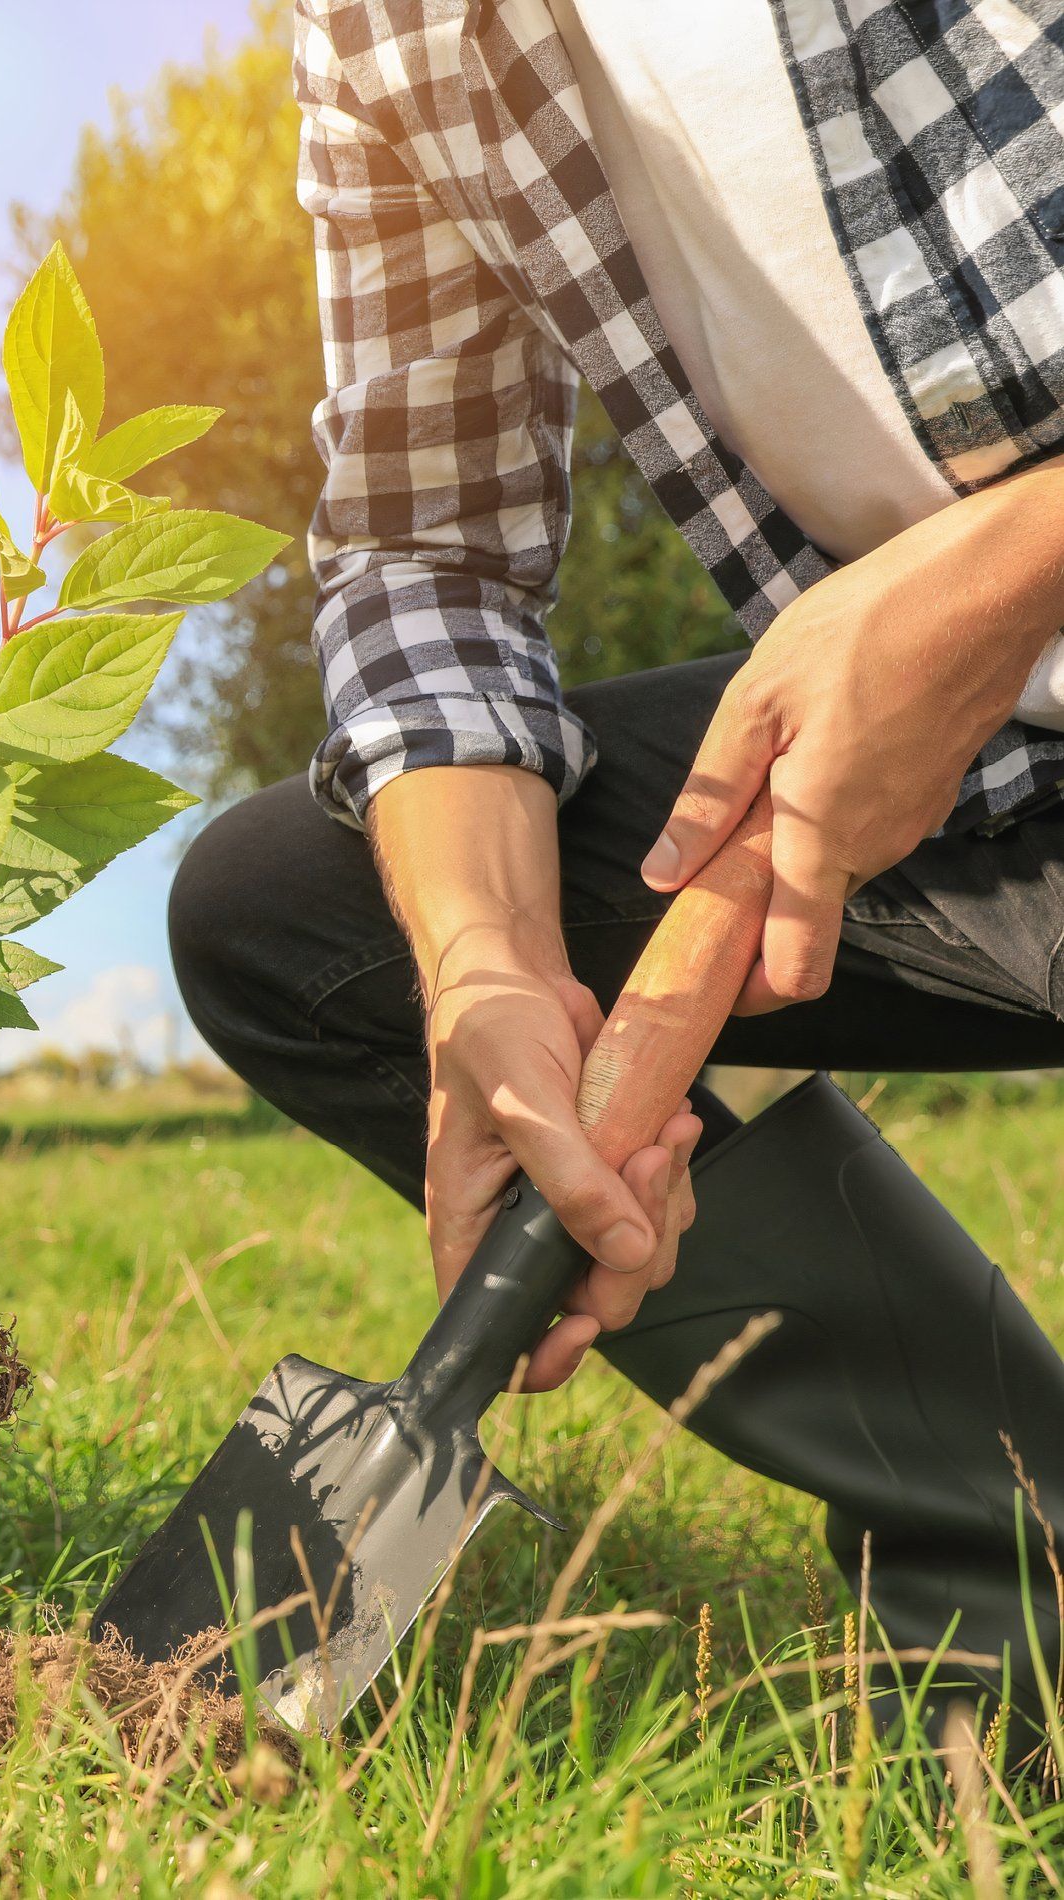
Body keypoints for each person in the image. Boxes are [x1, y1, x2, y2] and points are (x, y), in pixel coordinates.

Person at [172, 0, 1064, 1706]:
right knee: (298, 912)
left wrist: (1010, 564)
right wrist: (490, 965)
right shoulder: (387, 32)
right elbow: (428, 553)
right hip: (967, 787)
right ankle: (1024, 1551)